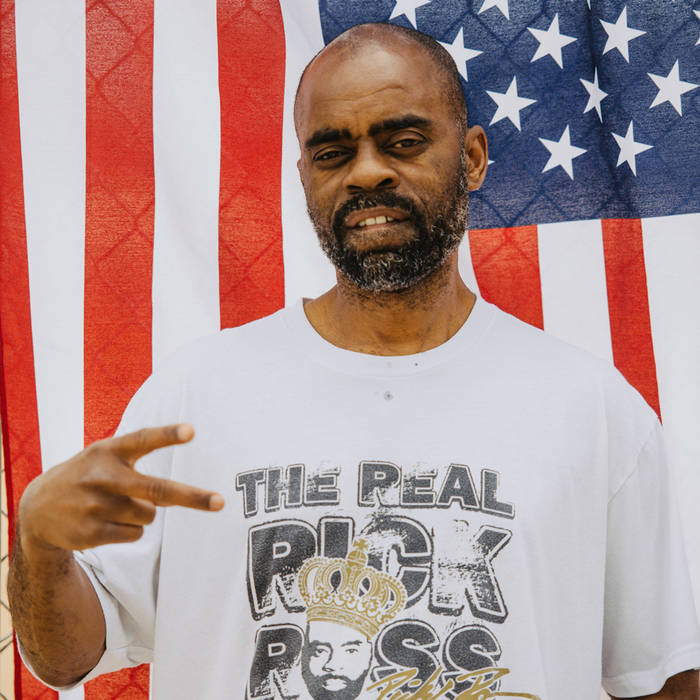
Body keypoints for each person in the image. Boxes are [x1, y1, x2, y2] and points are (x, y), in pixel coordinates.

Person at [8, 21, 700, 700]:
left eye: (403, 142)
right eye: (334, 153)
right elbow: (67, 657)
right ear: (305, 177)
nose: (367, 171)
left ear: (472, 157)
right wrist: (39, 542)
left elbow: (663, 678)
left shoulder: (590, 406)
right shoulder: (193, 397)